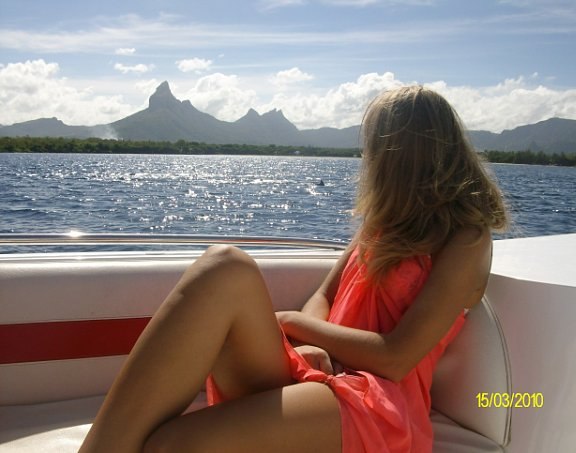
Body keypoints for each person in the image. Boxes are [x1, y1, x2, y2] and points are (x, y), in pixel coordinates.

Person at [79, 86, 508, 453]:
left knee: (169, 445)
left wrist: (292, 323)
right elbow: (324, 296)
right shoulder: (381, 227)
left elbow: (396, 358)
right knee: (224, 267)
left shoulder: (466, 241)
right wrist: (307, 344)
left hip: (378, 406)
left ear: (403, 155)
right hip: (323, 377)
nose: (368, 159)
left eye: (374, 148)